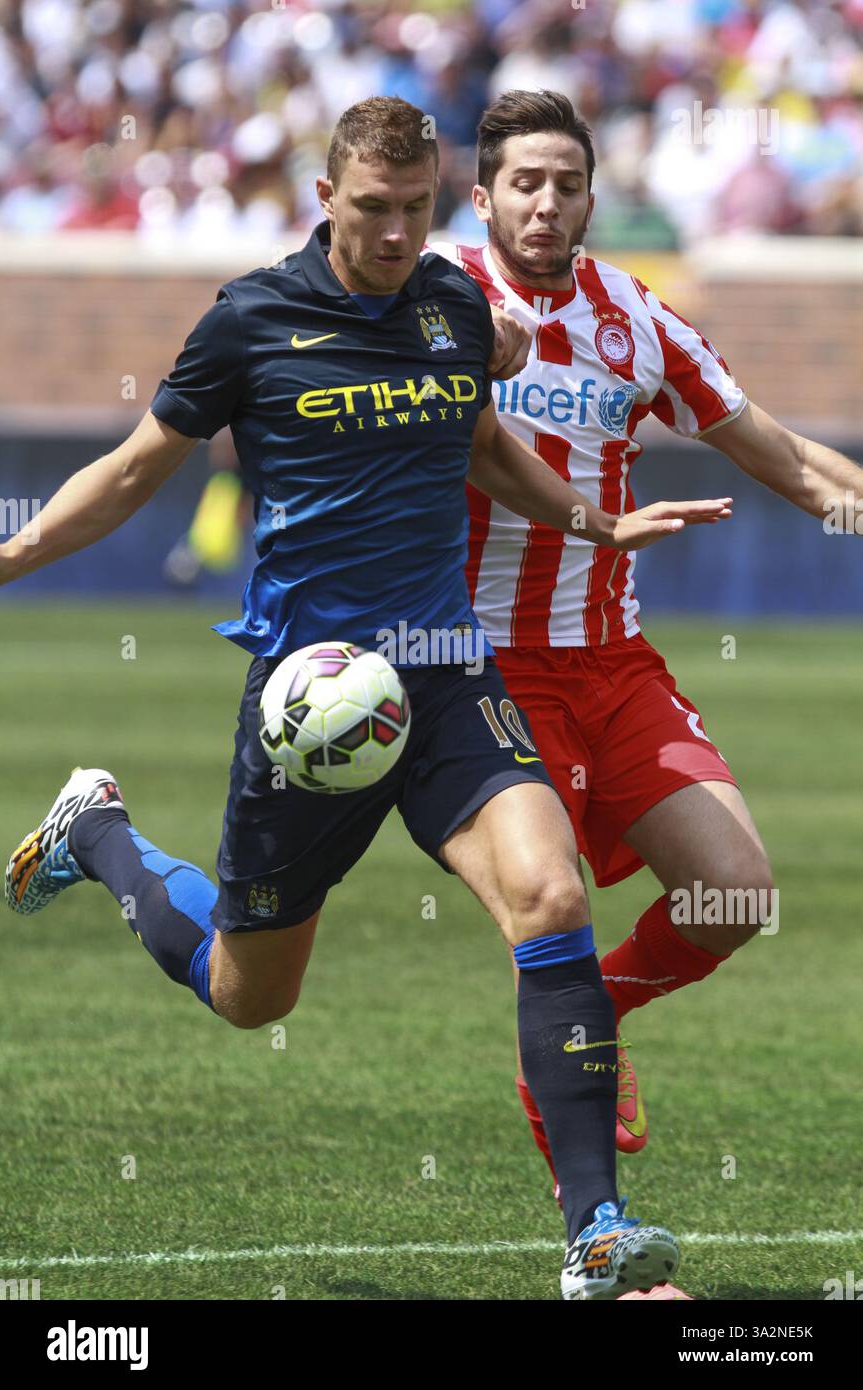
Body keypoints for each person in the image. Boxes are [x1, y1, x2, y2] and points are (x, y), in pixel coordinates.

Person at [0, 97, 730, 1300]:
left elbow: (482, 444)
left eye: (415, 210)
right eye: (374, 211)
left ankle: (596, 1233)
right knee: (247, 992)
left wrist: (593, 519)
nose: (397, 235)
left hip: (445, 675)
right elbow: (136, 469)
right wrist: (11, 557)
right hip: (308, 706)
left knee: (547, 894)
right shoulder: (248, 321)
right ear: (326, 200)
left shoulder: (451, 305)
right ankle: (103, 834)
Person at [429, 89, 863, 1196]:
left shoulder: (636, 317)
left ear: (589, 202)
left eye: (565, 186)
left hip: (613, 664)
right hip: (480, 666)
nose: (544, 204)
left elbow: (782, 456)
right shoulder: (426, 302)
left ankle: (601, 1016)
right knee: (551, 912)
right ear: (482, 196)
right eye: (523, 183)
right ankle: (598, 1229)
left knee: (735, 895)